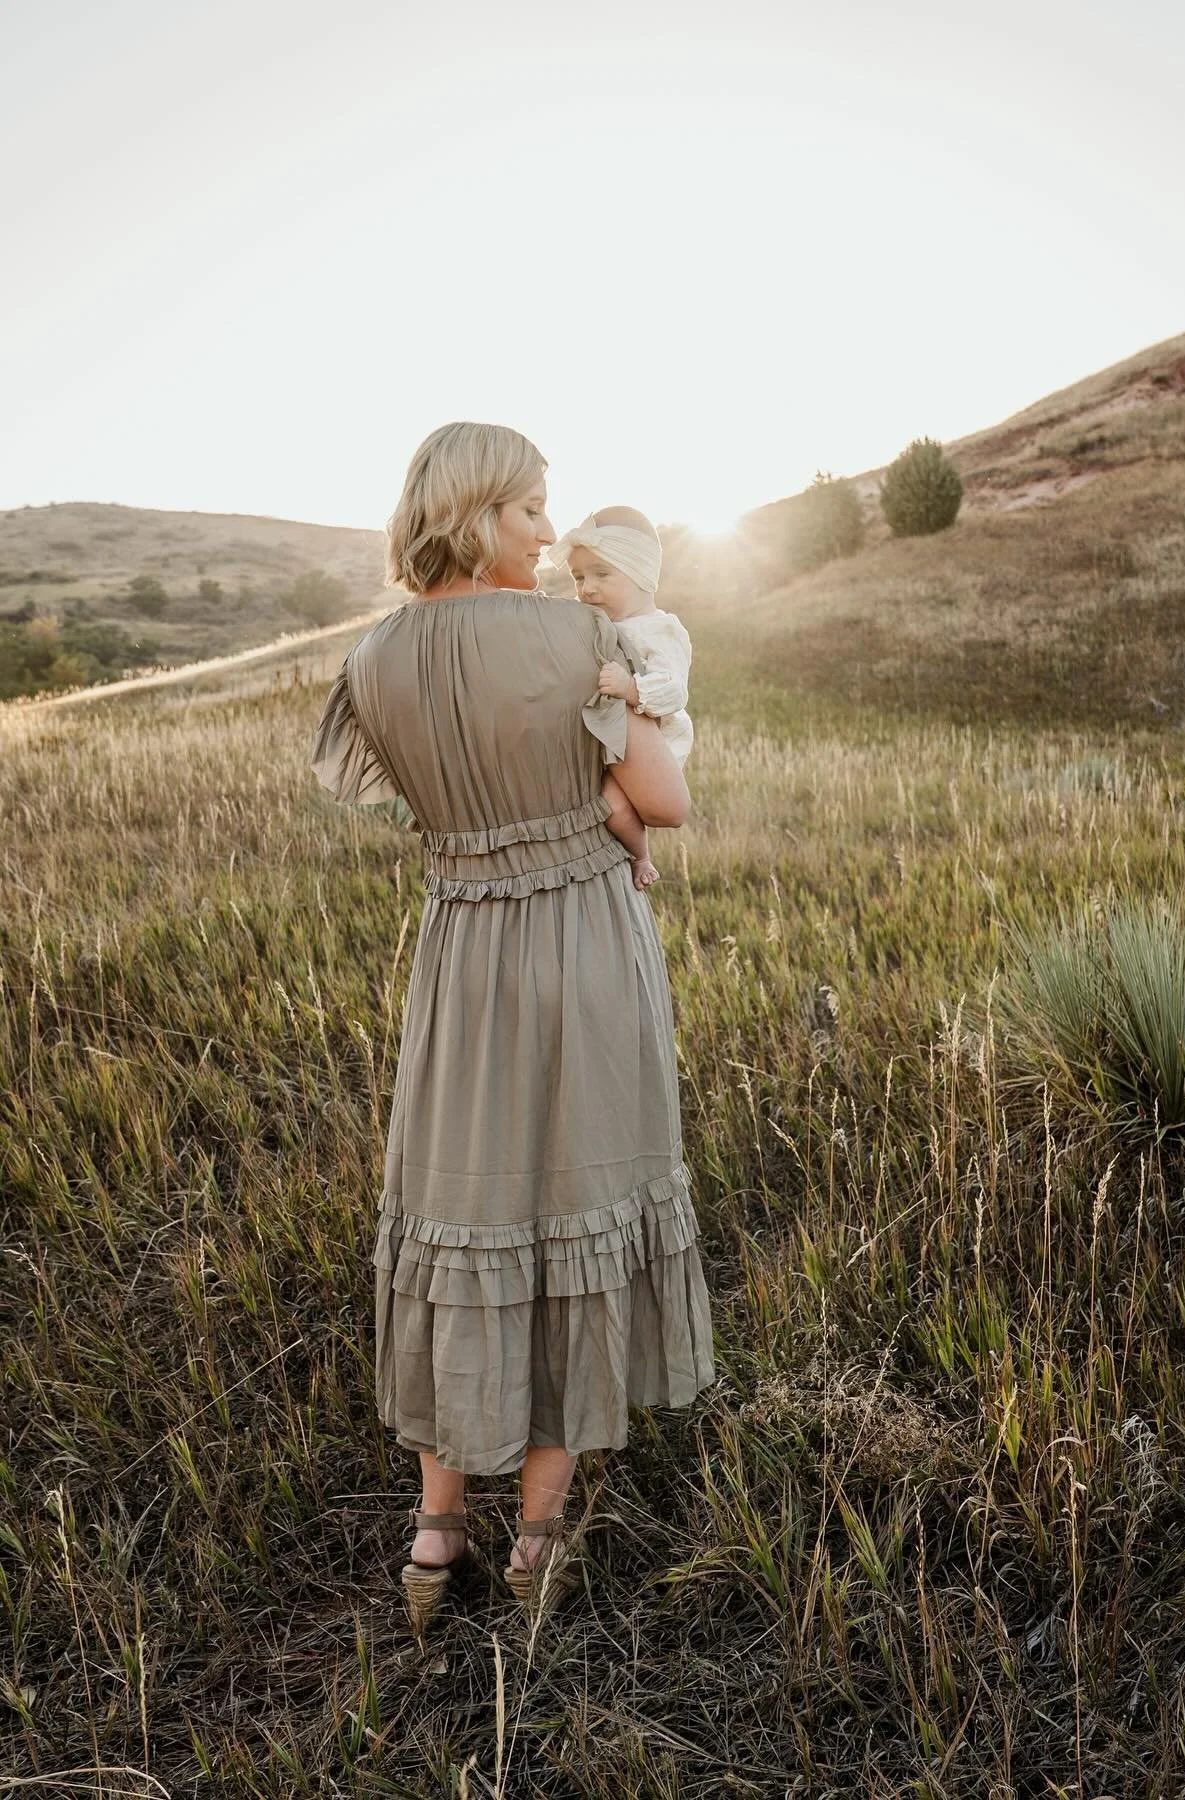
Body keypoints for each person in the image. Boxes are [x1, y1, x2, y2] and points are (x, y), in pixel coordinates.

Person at [308, 421, 717, 1629]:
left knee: (466, 1212)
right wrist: (595, 797)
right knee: (568, 1214)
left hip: (461, 958)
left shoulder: (372, 661)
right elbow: (667, 798)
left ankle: (435, 1539)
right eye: (534, 509)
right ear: (479, 512)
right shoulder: (579, 638)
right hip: (583, 950)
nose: (551, 533)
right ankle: (539, 1541)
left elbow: (409, 797)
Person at [546, 508, 694, 891]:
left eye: (601, 574)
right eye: (578, 577)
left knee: (613, 806)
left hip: (650, 743)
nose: (587, 588)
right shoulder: (598, 624)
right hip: (606, 739)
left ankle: (641, 855)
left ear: (639, 574)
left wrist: (632, 689)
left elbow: (674, 689)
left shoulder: (660, 629)